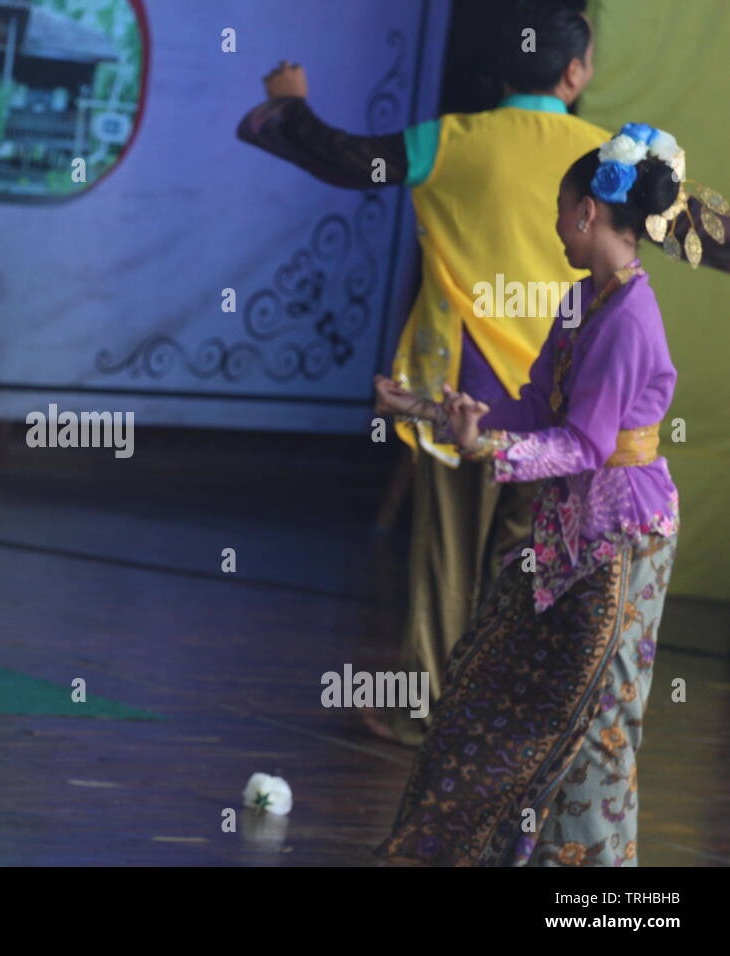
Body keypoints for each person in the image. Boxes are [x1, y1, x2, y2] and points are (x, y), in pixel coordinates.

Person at [237, 1, 726, 745]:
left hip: (465, 388)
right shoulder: (607, 162)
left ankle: (426, 707)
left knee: (446, 559)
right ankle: (508, 708)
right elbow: (700, 232)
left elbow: (346, 158)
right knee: (530, 564)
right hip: (560, 402)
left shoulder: (451, 138)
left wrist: (290, 107)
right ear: (574, 71)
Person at [371, 124, 725, 865]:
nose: (557, 225)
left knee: (597, 729)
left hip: (624, 540)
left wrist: (487, 448)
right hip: (567, 537)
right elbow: (535, 411)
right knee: (486, 689)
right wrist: (437, 413)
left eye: (561, 210)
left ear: (588, 213)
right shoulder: (579, 302)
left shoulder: (630, 320)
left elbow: (587, 446)